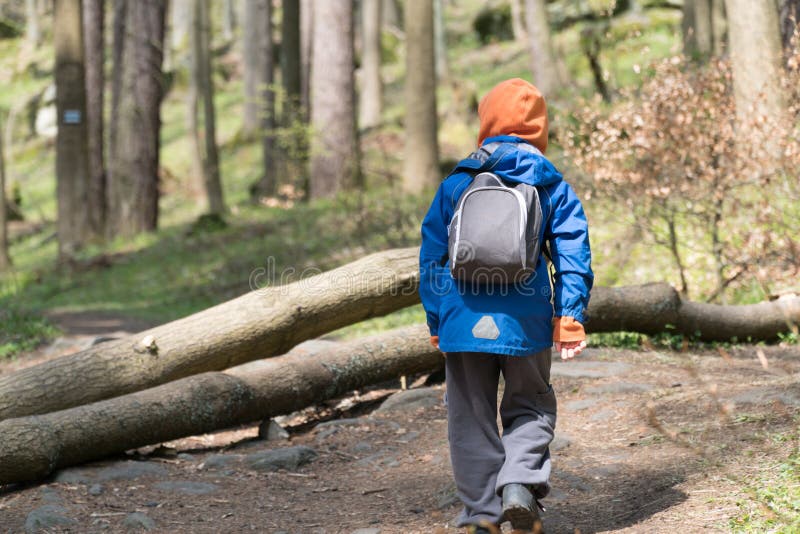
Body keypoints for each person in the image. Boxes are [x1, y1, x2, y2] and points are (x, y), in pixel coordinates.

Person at [419, 78, 593, 533]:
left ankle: (482, 516)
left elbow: (432, 256)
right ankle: (519, 485)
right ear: (540, 129)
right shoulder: (551, 184)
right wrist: (570, 315)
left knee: (470, 413)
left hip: (461, 317)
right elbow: (573, 250)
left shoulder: (457, 182)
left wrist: (438, 320)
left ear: (486, 123)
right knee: (530, 404)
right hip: (527, 317)